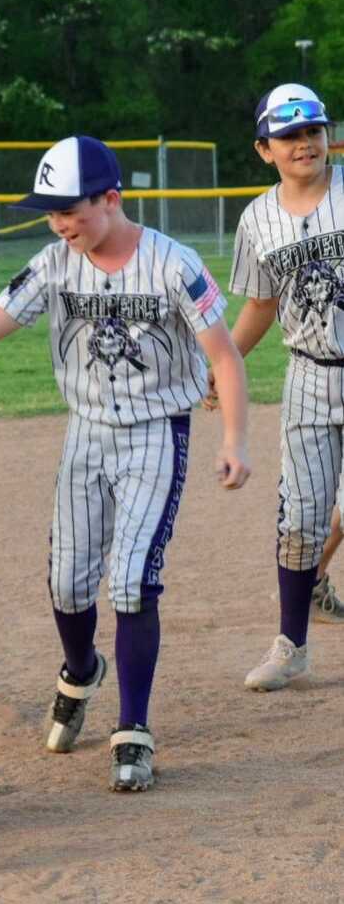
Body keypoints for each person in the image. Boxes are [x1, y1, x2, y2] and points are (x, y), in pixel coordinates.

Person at [0, 136, 250, 791]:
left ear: (111, 198)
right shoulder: (55, 263)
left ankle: (133, 728)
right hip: (85, 431)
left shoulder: (174, 264)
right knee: (66, 583)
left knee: (131, 582)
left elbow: (224, 356)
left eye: (71, 210)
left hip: (154, 432)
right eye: (51, 212)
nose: (60, 223)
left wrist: (234, 438)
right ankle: (81, 669)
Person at [223, 83, 344, 688]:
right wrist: (221, 365)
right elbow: (261, 306)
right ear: (264, 149)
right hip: (307, 379)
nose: (304, 144)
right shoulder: (257, 219)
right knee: (300, 520)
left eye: (313, 131)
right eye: (289, 136)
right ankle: (291, 645)